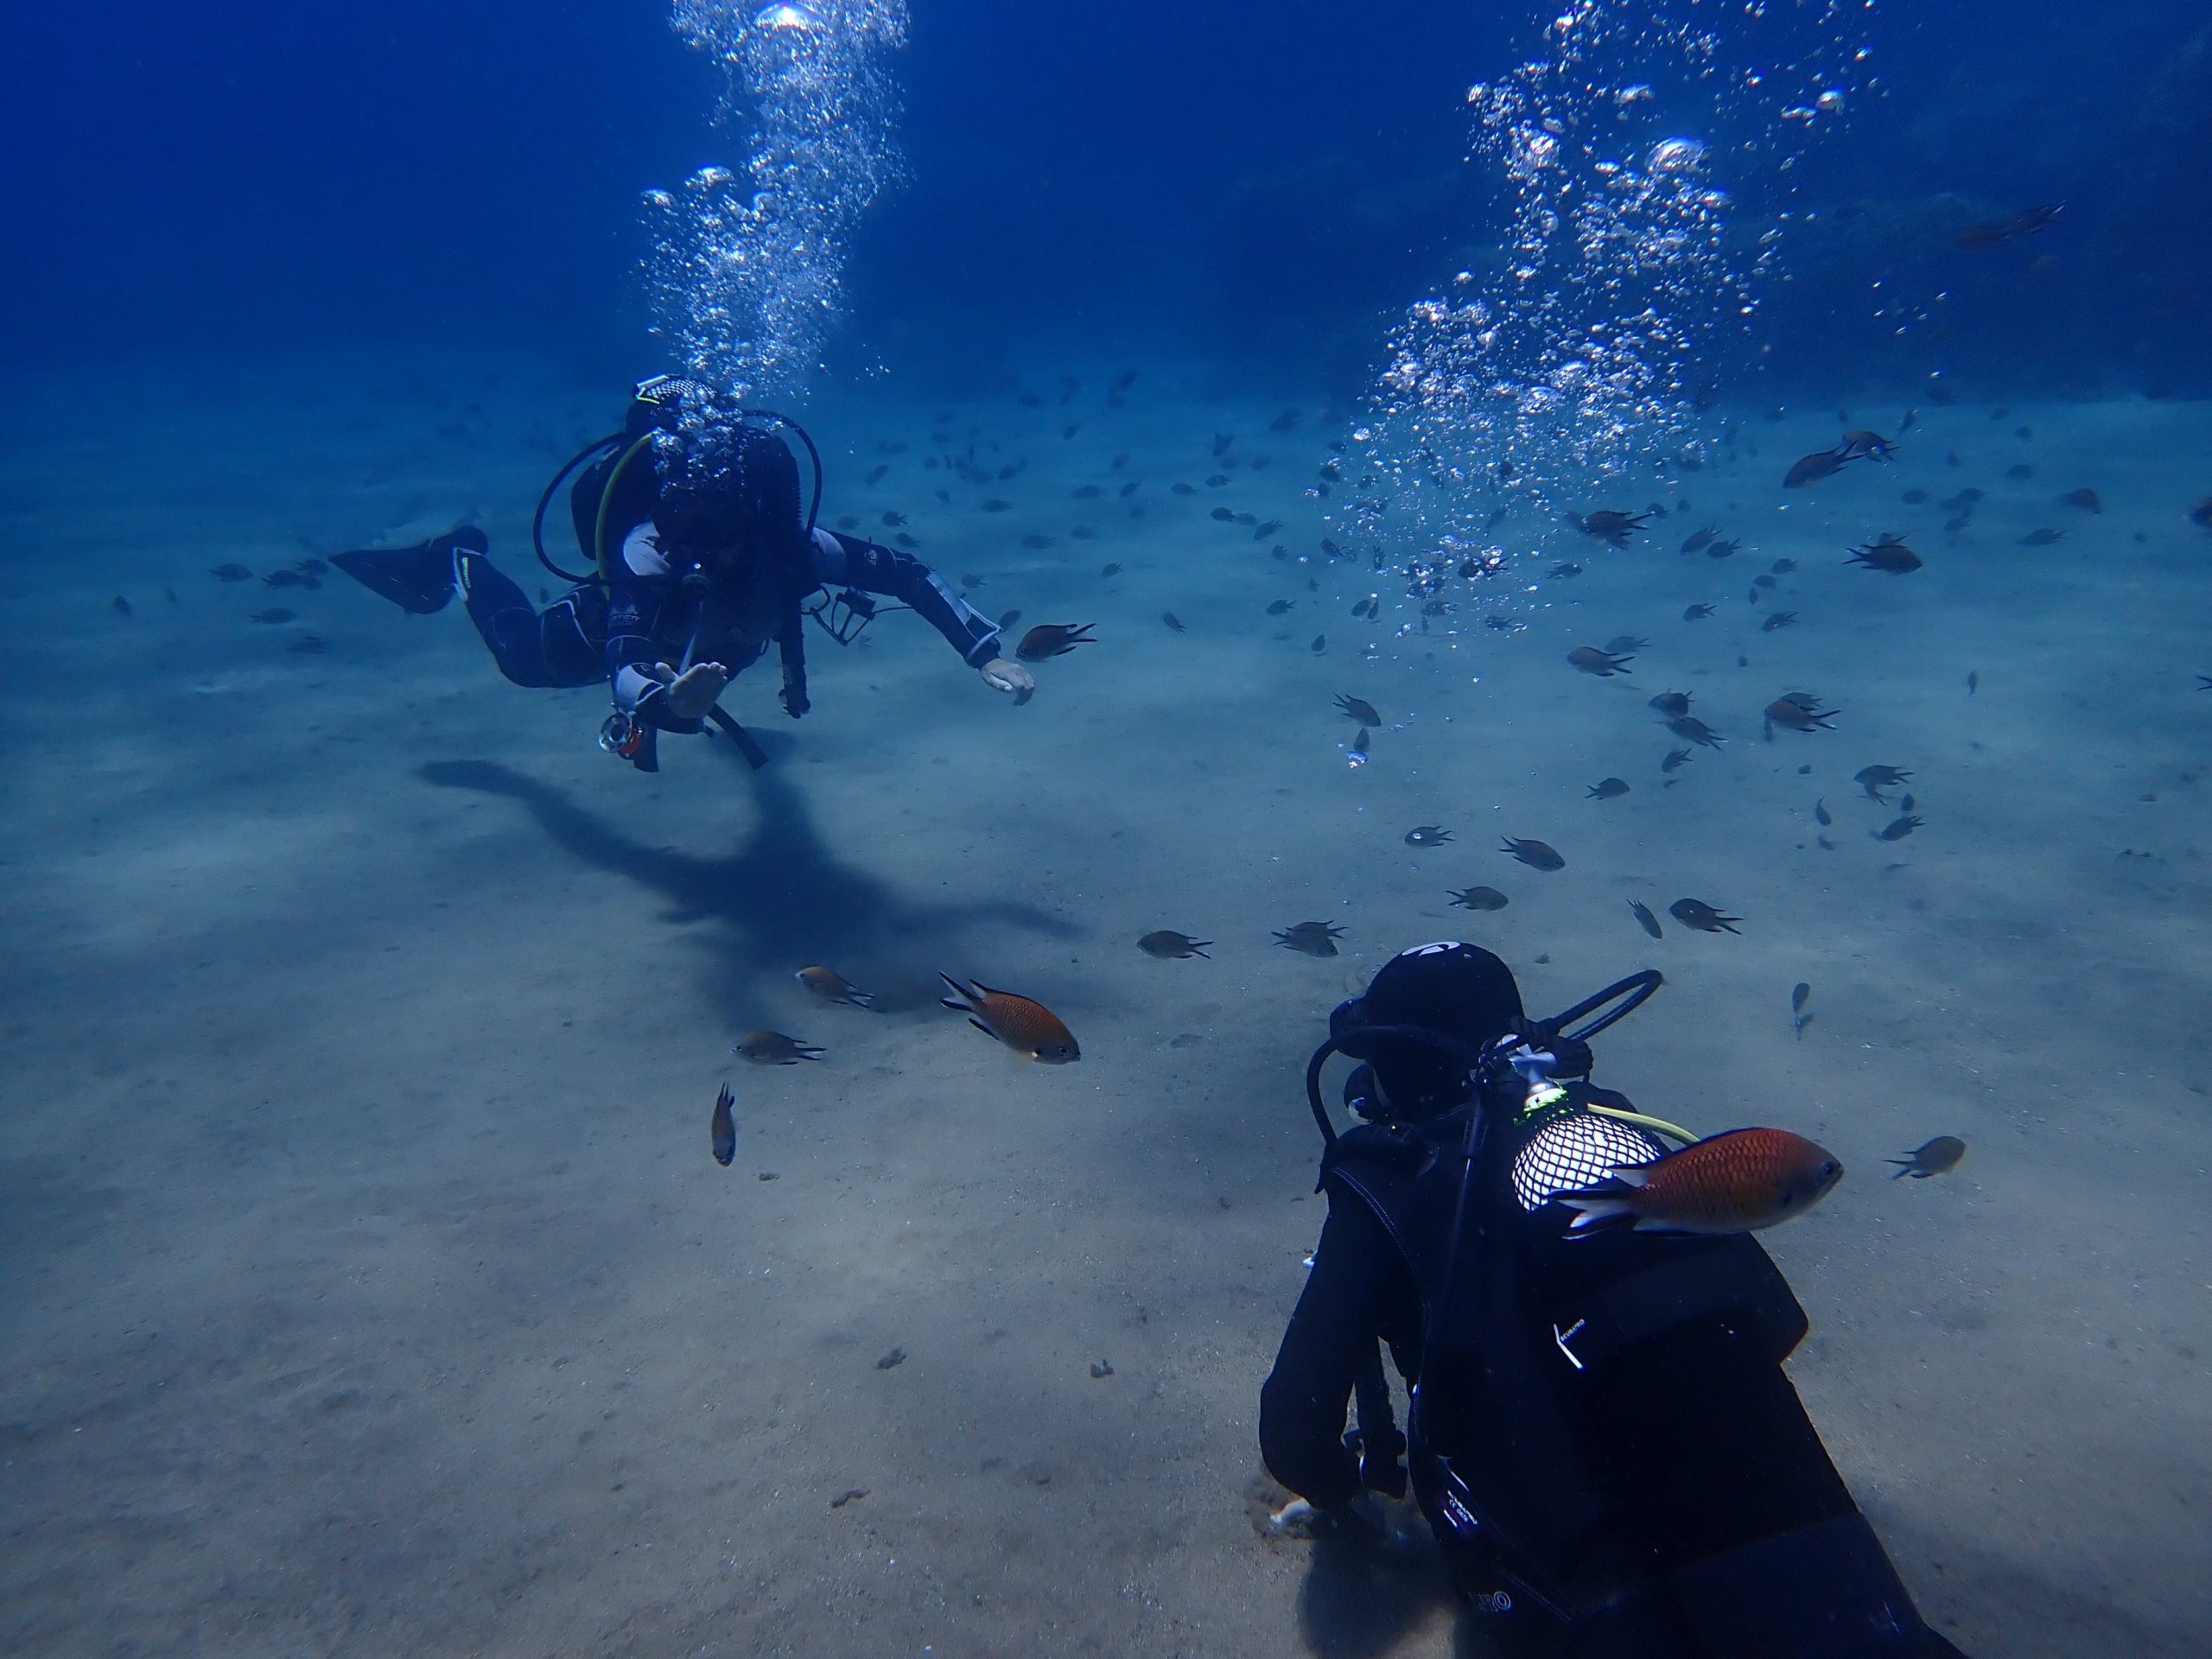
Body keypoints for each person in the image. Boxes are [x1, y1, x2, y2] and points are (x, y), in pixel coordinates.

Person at [1259, 941, 1969, 1658]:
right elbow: (1769, 1321)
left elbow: (1293, 1429)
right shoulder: (1625, 1136)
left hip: (1599, 1600)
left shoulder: (1385, 1183)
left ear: (1391, 1067)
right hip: (1819, 1552)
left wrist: (1345, 1487)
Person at [333, 375, 1032, 772]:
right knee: (521, 658)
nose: (709, 553)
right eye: (692, 528)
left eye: (727, 534)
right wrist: (671, 706)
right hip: (612, 632)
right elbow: (626, 659)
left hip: (715, 654)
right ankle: (462, 558)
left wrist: (983, 651)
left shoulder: (793, 550)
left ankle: (465, 560)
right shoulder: (647, 551)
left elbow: (906, 574)